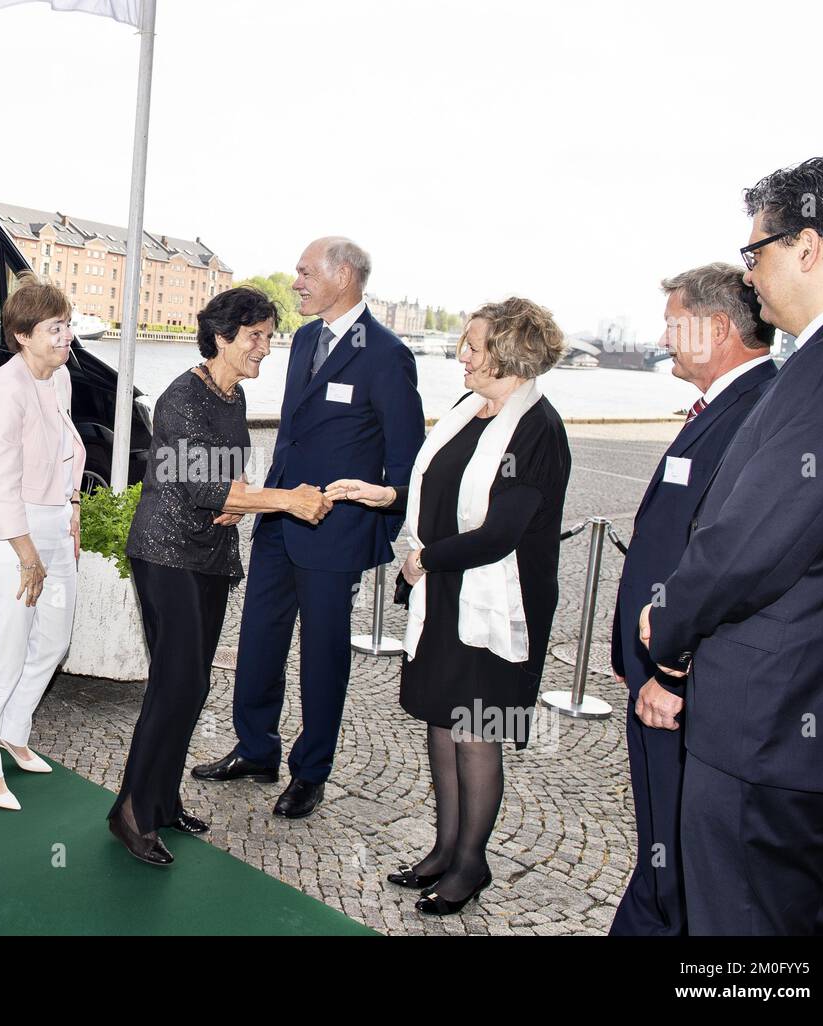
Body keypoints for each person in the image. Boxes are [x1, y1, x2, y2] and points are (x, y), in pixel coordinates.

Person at [640, 154, 823, 935]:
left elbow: (753, 543)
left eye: (755, 252)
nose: (752, 274)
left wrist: (669, 634)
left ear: (809, 248)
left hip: (772, 731)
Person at [329, 297, 571, 915]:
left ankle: (472, 863)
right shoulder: (470, 411)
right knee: (443, 718)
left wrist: (424, 561)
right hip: (447, 597)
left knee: (477, 728)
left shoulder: (538, 429)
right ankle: (444, 847)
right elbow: (436, 487)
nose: (461, 354)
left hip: (497, 603)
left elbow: (502, 531)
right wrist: (383, 494)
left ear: (508, 353)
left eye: (472, 345)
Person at [193, 237, 424, 819]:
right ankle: (255, 749)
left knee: (323, 657)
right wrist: (257, 502)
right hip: (279, 521)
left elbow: (406, 461)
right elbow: (293, 436)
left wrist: (394, 526)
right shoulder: (303, 342)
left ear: (343, 275)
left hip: (335, 533)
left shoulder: (387, 355)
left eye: (303, 271)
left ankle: (310, 772)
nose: (294, 282)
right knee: (259, 642)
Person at [109, 287, 333, 865]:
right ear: (223, 336)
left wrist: (239, 503)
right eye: (256, 335)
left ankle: (161, 797)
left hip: (208, 554)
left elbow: (222, 481)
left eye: (268, 334)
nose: (266, 346)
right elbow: (198, 484)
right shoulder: (181, 395)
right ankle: (131, 812)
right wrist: (282, 500)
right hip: (165, 554)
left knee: (193, 683)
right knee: (176, 683)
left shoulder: (230, 397)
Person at [607, 264, 776, 936]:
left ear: (715, 328)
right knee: (665, 846)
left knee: (677, 858)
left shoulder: (759, 409)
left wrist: (672, 671)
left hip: (689, 686)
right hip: (663, 672)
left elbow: (735, 562)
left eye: (674, 324)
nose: (663, 338)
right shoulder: (725, 404)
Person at [0, 272, 82, 810]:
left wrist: (74, 509)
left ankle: (15, 729)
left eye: (68, 326)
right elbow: (0, 482)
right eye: (56, 328)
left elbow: (68, 452)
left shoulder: (60, 380)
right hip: (11, 530)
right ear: (24, 334)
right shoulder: (3, 391)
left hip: (55, 519)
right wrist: (27, 553)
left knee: (54, 638)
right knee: (6, 646)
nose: (67, 337)